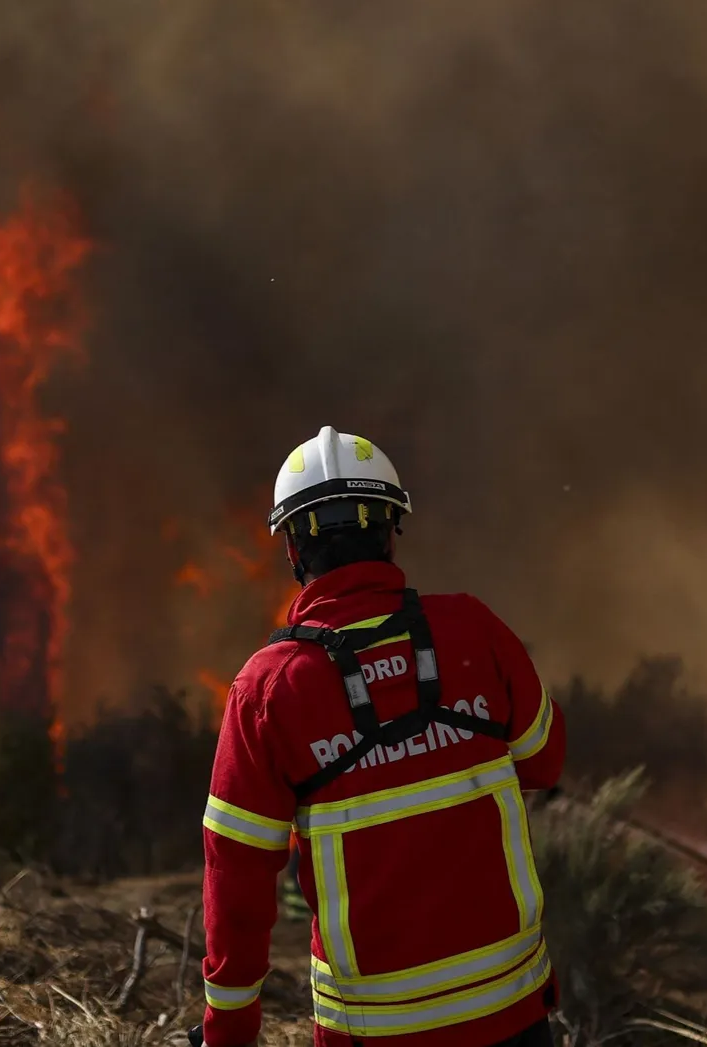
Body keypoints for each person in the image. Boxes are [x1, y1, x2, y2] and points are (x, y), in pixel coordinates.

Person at [194, 427, 567, 1047]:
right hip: (513, 1013)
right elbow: (544, 762)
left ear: (293, 548)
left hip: (375, 1033)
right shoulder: (474, 631)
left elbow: (236, 876)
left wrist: (228, 1032)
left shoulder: (268, 690)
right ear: (392, 530)